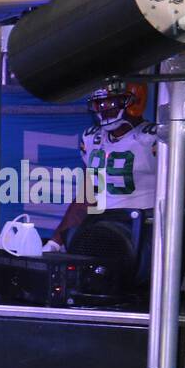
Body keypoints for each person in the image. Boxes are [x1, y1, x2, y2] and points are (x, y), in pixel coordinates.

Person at [46, 82, 157, 252]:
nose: (105, 109)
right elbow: (87, 198)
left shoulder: (155, 139)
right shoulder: (92, 139)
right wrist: (54, 243)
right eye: (101, 103)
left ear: (136, 100)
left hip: (144, 234)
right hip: (104, 231)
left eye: (112, 102)